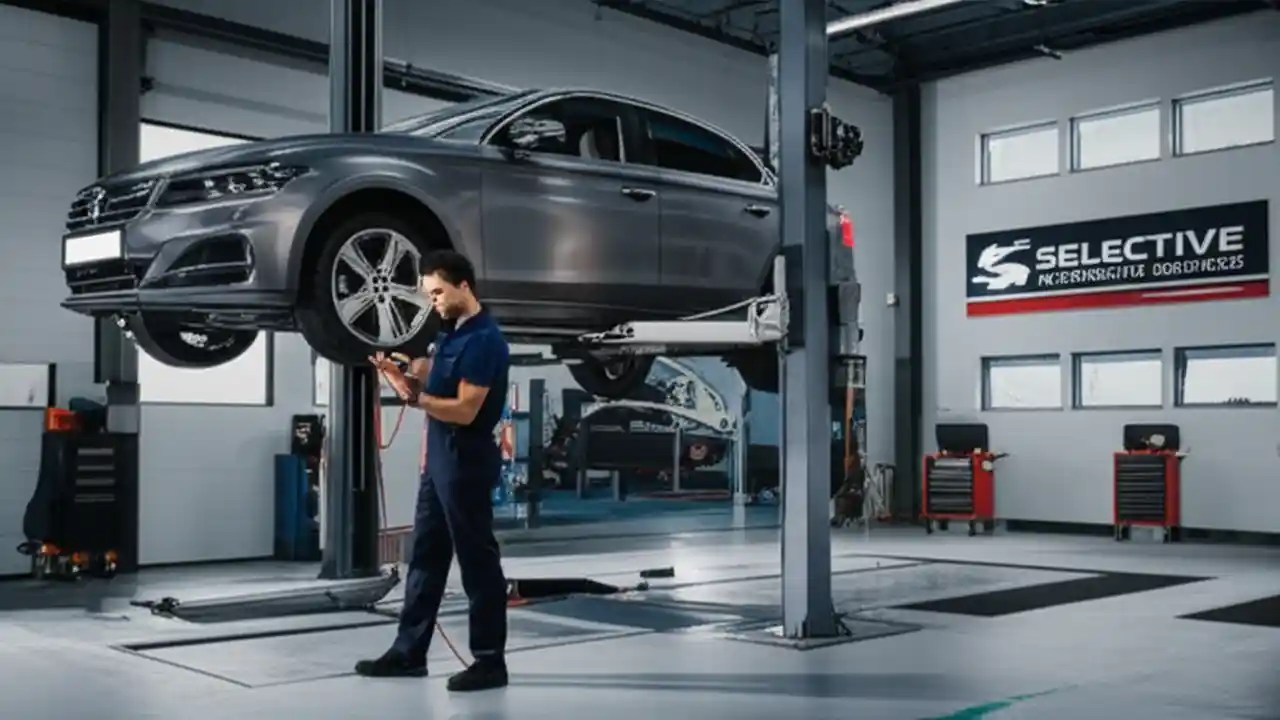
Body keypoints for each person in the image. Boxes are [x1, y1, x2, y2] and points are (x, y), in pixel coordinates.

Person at [355, 249, 511, 693]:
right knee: (423, 559)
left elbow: (463, 410)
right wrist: (398, 377)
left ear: (465, 285)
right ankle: (409, 653)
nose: (434, 301)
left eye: (439, 292)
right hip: (439, 462)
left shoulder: (484, 340)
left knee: (478, 563)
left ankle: (489, 661)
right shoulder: (449, 335)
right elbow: (427, 390)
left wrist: (415, 399)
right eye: (430, 295)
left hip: (466, 461)